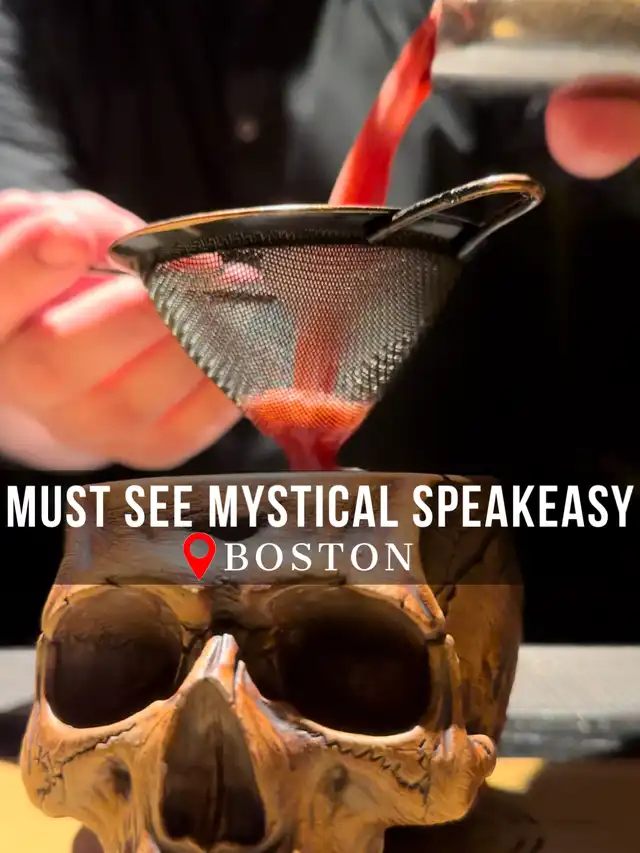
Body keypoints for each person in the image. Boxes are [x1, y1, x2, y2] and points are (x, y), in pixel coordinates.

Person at [0, 0, 638, 643]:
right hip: (137, 641)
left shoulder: (464, 16)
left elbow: (603, 137)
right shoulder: (29, 27)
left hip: (491, 615)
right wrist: (30, 396)